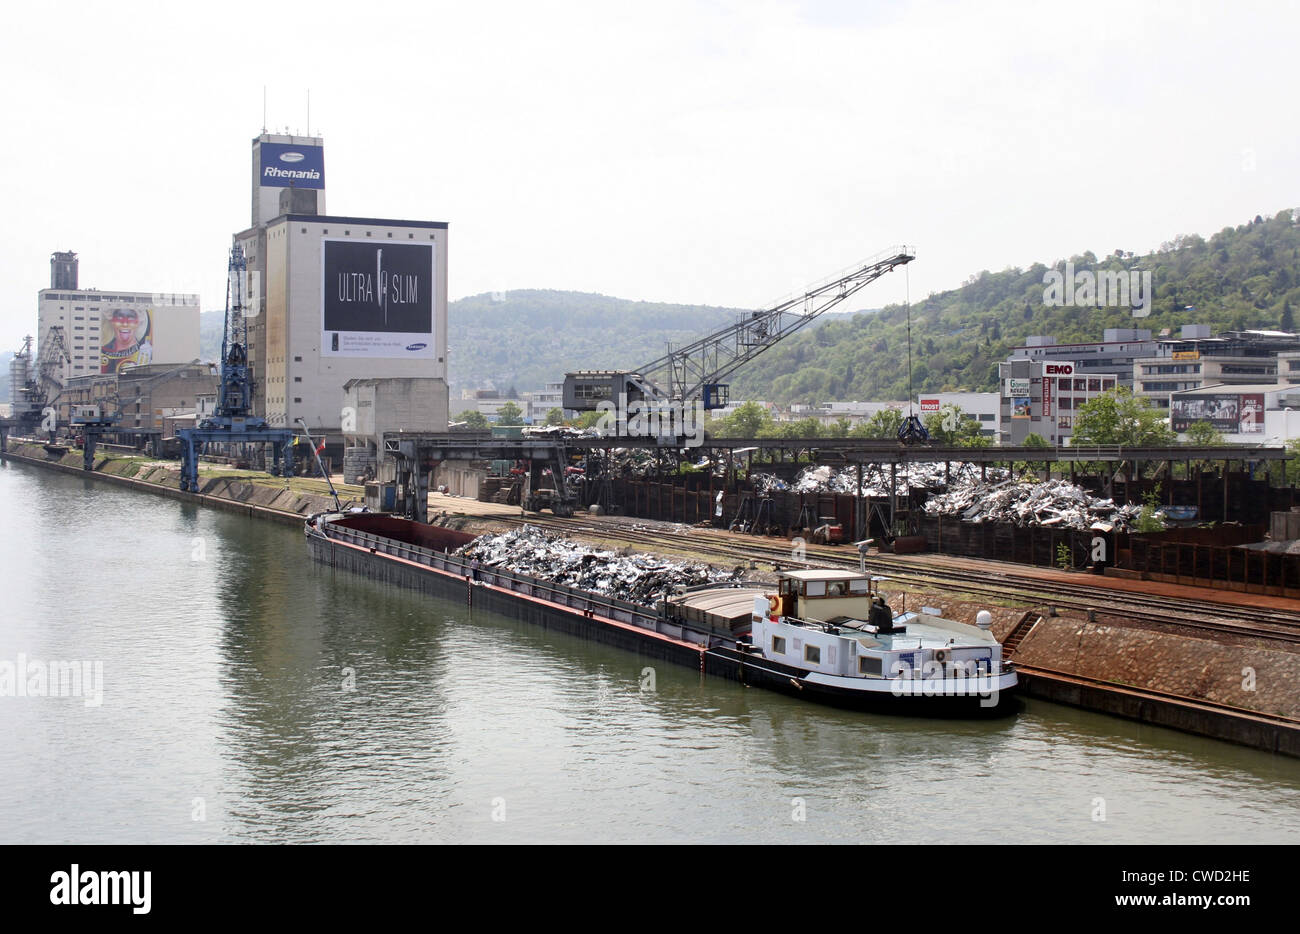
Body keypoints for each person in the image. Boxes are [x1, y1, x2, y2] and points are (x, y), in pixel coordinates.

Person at [101, 308, 153, 374]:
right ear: (112, 321)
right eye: (119, 318)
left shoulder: (145, 351)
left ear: (138, 322)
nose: (125, 323)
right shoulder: (104, 351)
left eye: (131, 318)